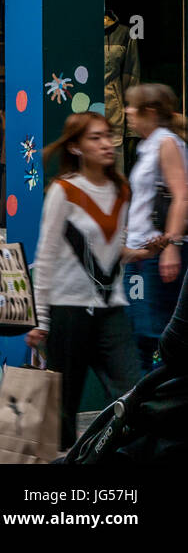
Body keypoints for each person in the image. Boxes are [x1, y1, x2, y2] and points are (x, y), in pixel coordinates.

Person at [27, 112, 156, 449]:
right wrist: (40, 319)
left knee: (132, 394)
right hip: (67, 311)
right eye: (95, 138)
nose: (106, 143)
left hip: (110, 310)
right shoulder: (64, 191)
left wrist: (140, 253)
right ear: (76, 147)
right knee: (62, 416)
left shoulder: (121, 190)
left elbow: (108, 251)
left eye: (108, 135)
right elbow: (46, 256)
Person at [122, 83, 188, 372]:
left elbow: (181, 195)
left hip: (158, 253)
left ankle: (157, 406)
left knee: (153, 332)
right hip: (139, 253)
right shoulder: (147, 145)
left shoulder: (166, 142)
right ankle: (143, 406)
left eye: (131, 106)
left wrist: (172, 247)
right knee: (138, 333)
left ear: (148, 111)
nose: (126, 112)